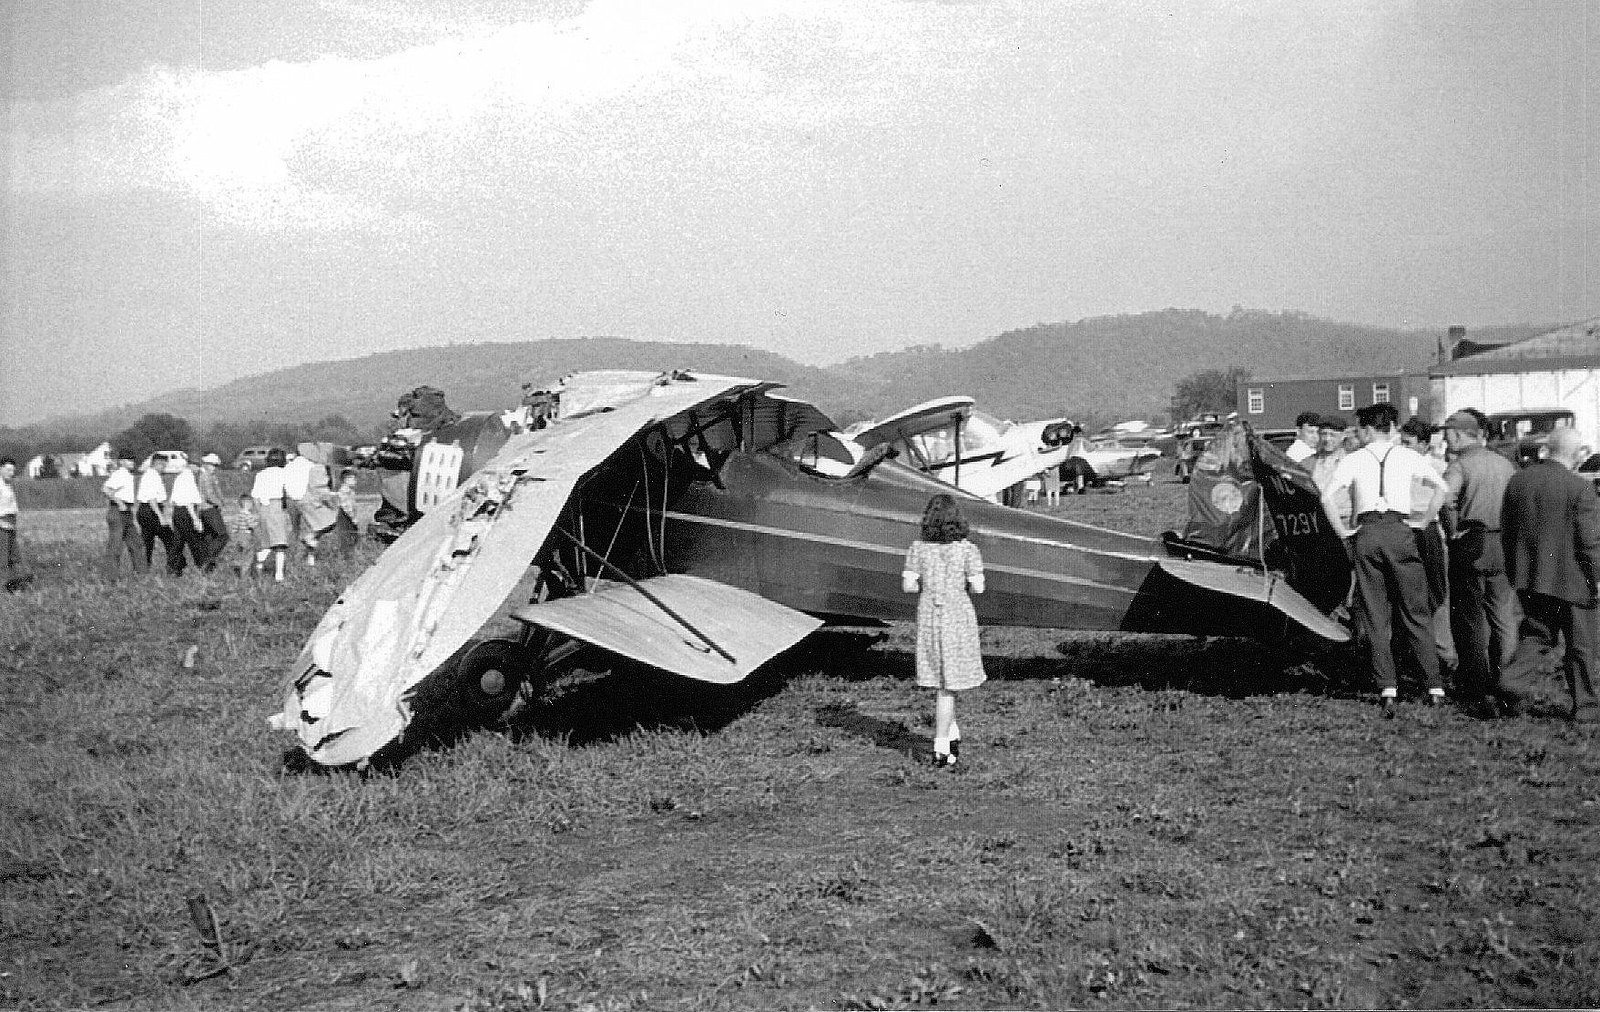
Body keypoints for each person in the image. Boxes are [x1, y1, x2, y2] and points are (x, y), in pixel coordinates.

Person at [1320, 402, 1450, 716]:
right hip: (1400, 531)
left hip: (1366, 533)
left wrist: (1343, 533)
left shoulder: (1353, 459)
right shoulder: (1408, 456)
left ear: (1366, 429)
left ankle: (1387, 687)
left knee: (1376, 614)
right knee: (1415, 611)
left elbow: (1325, 496)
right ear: (1391, 428)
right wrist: (1422, 521)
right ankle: (1433, 685)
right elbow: (1441, 488)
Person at [1501, 427, 1600, 723]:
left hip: (1531, 577)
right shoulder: (1579, 487)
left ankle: (1512, 682)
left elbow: (1507, 529)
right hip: (1573, 580)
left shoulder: (1518, 480)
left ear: (1548, 449)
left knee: (1536, 635)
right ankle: (1587, 708)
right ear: (1579, 454)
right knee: (1581, 646)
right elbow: (1590, 541)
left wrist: (1515, 569)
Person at [1439, 409, 1520, 712]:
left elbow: (1446, 500)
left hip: (1472, 542)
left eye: (1447, 433)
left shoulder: (1459, 465)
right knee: (1503, 615)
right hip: (1502, 544)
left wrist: (1452, 529)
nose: (1445, 439)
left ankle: (1475, 682)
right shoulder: (1504, 464)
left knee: (1469, 616)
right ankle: (1508, 679)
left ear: (1459, 434)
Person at [902, 493, 987, 767]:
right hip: (957, 615)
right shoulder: (967, 550)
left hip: (929, 613)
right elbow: (978, 588)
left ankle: (952, 731)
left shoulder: (918, 549)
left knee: (939, 673)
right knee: (949, 685)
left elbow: (909, 586)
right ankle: (941, 746)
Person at [1400, 417, 1456, 676]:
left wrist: (1442, 530)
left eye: (1408, 443)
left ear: (1423, 445)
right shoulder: (1397, 467)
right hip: (1404, 529)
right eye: (1401, 442)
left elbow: (1444, 501)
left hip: (1426, 530)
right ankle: (1413, 653)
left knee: (1436, 592)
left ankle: (1443, 653)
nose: (1403, 447)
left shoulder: (1435, 466)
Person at [135, 454, 185, 575]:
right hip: (152, 511)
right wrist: (161, 516)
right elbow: (152, 499)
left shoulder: (147, 474)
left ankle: (142, 570)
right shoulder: (153, 476)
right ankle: (174, 569)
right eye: (163, 465)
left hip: (143, 510)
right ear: (157, 463)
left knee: (147, 542)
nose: (164, 468)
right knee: (171, 540)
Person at [250, 448, 292, 582]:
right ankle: (279, 575)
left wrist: (258, 512)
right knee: (280, 544)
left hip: (264, 508)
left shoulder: (261, 474)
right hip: (277, 506)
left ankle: (259, 563)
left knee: (267, 542)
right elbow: (289, 492)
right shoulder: (284, 473)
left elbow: (255, 496)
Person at [100, 456, 147, 578]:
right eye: (129, 460)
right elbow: (105, 489)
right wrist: (119, 503)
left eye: (132, 460)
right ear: (122, 462)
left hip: (127, 512)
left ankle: (141, 574)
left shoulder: (128, 475)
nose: (132, 462)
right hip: (118, 511)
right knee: (115, 546)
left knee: (136, 544)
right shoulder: (119, 474)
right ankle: (110, 577)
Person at [194, 454, 229, 571]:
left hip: (204, 509)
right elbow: (209, 494)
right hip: (208, 508)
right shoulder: (206, 476)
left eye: (215, 465)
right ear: (207, 464)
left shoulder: (207, 475)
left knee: (210, 537)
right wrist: (219, 503)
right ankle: (208, 558)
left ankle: (207, 565)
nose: (215, 467)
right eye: (213, 465)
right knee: (222, 536)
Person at [0, 457, 24, 592]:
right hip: (2, 525)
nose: (11, 473)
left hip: (10, 524)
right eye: (8, 470)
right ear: (1, 469)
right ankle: (6, 588)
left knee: (13, 556)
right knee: (3, 558)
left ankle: (13, 586)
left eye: (13, 470)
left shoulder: (8, 485)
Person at [226, 494, 260, 576]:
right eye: (252, 504)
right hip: (247, 536)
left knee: (240, 553)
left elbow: (234, 527)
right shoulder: (248, 515)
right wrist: (257, 524)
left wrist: (234, 537)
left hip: (238, 536)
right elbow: (252, 525)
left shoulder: (237, 515)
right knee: (248, 556)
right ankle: (244, 574)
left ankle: (237, 565)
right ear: (248, 504)